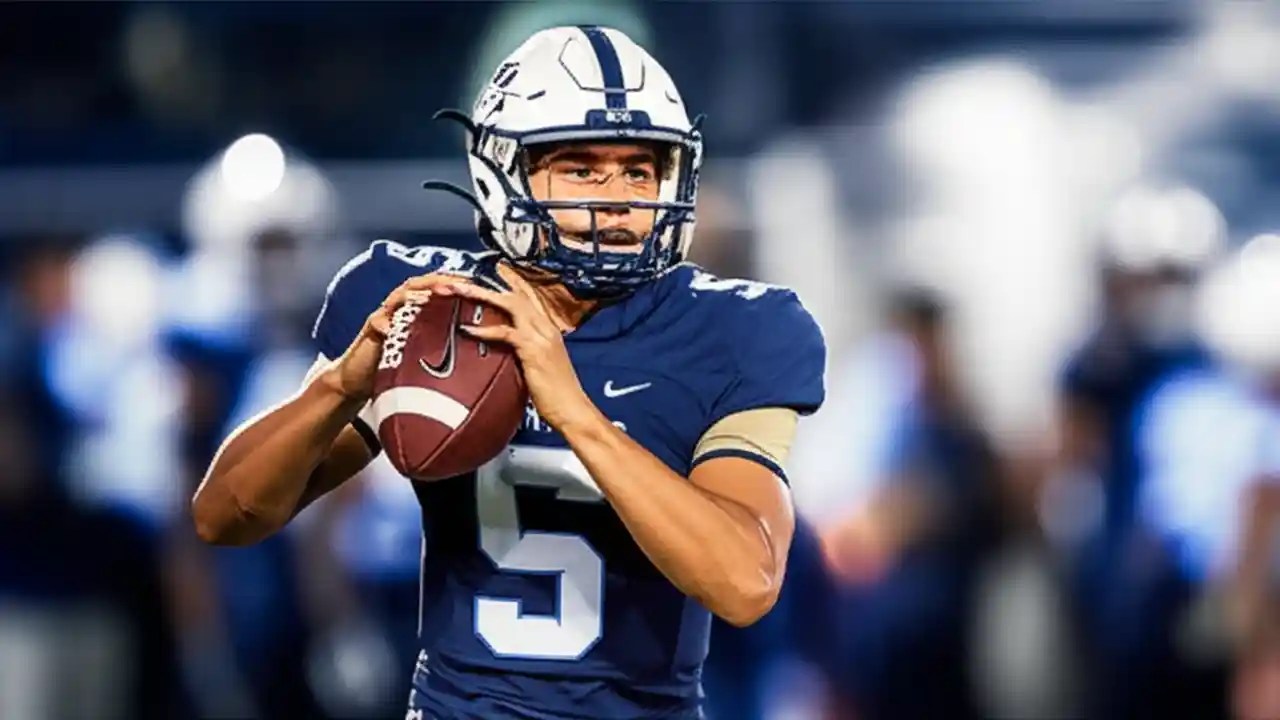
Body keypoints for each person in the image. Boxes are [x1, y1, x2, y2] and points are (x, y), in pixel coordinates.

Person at [193, 25, 826, 719]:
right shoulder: (434, 311)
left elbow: (745, 583)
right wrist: (340, 386)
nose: (616, 195)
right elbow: (227, 516)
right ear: (504, 171)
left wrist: (577, 415)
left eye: (639, 168)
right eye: (581, 167)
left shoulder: (730, 331)